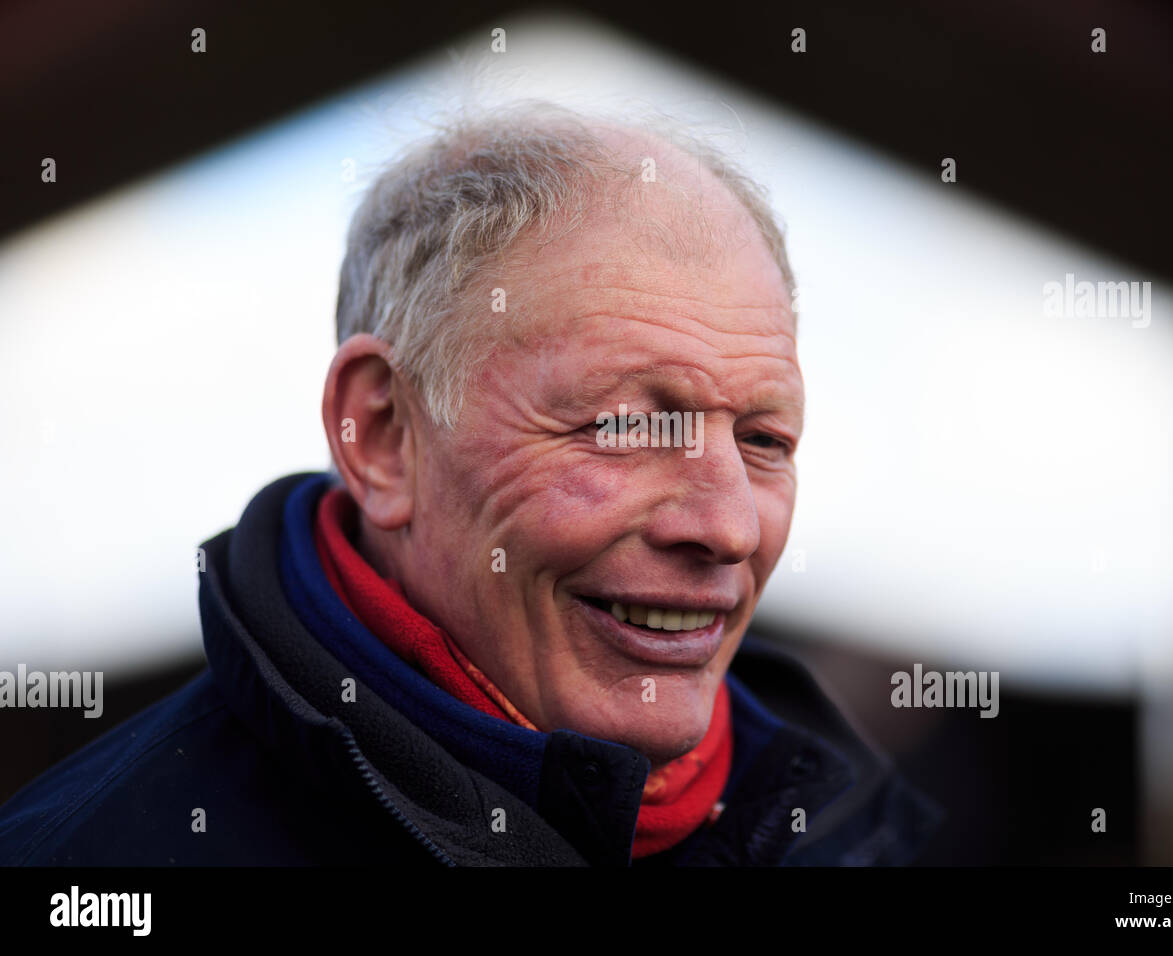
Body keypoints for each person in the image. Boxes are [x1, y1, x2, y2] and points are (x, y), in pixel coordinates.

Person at [0, 101, 939, 866]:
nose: (730, 527)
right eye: (626, 425)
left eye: (766, 439)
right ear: (382, 436)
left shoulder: (862, 832)